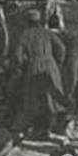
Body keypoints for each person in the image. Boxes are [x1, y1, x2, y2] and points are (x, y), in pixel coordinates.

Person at [14, 8, 66, 137]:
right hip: (50, 64)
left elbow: (18, 55)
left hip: (34, 65)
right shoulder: (47, 32)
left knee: (34, 98)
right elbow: (61, 47)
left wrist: (21, 66)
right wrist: (58, 61)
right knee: (52, 96)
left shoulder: (25, 35)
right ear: (39, 21)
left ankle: (38, 127)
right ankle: (53, 127)